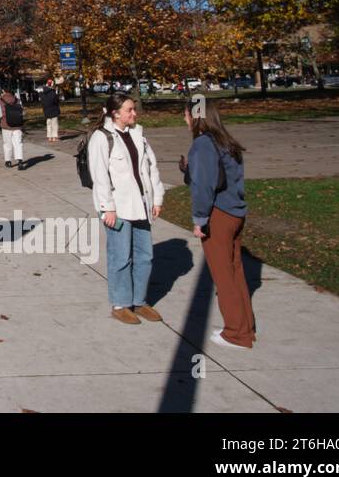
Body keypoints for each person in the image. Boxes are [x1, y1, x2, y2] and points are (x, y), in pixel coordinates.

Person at [181, 101, 255, 349]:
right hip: (235, 211)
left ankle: (236, 333)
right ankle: (245, 326)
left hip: (218, 214)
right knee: (236, 272)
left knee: (223, 277)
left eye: (187, 115)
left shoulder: (202, 145)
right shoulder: (226, 141)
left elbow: (204, 187)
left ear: (195, 116)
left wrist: (199, 219)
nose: (185, 120)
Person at [89, 91, 164, 324]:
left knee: (145, 256)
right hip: (118, 209)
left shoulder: (138, 135)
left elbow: (151, 168)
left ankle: (139, 301)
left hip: (142, 205)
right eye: (129, 110)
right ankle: (121, 303)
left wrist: (156, 199)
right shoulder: (101, 138)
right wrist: (106, 207)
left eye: (133, 109)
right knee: (120, 257)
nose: (134, 113)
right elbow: (99, 175)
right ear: (115, 113)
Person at [0, 88, 25, 169]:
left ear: (4, 91)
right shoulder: (18, 100)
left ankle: (8, 161)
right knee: (18, 143)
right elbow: (23, 112)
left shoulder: (0, 101)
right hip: (17, 126)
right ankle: (20, 161)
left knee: (7, 144)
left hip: (6, 126)